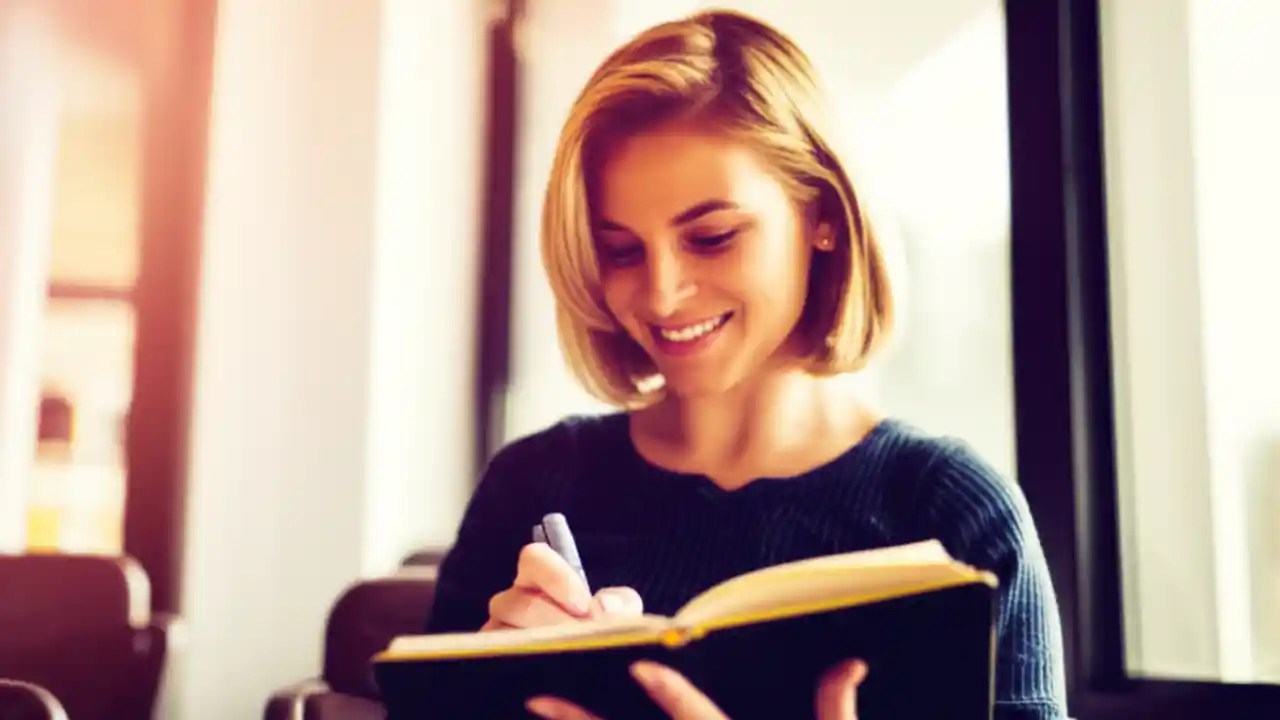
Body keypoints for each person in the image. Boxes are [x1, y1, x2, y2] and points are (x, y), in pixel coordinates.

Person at [426, 9, 1069, 720]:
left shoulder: (952, 514)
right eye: (622, 250)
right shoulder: (532, 486)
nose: (663, 294)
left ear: (821, 214)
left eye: (712, 237)